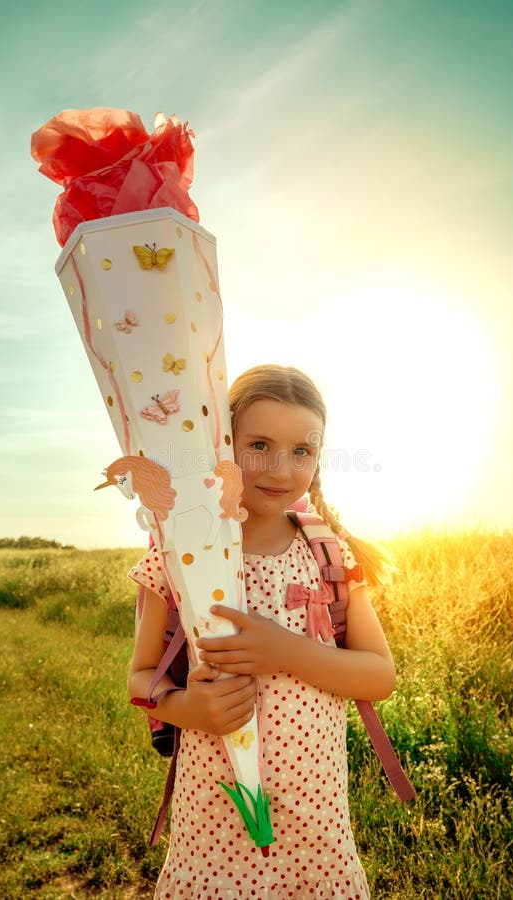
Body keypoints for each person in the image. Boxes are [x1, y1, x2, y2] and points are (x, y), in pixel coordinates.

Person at [128, 364, 396, 899]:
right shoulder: (181, 552)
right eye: (258, 444)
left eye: (302, 451)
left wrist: (287, 650)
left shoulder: (328, 554)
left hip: (314, 826)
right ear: (223, 444)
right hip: (213, 821)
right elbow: (140, 680)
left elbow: (379, 676)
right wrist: (190, 710)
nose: (280, 468)